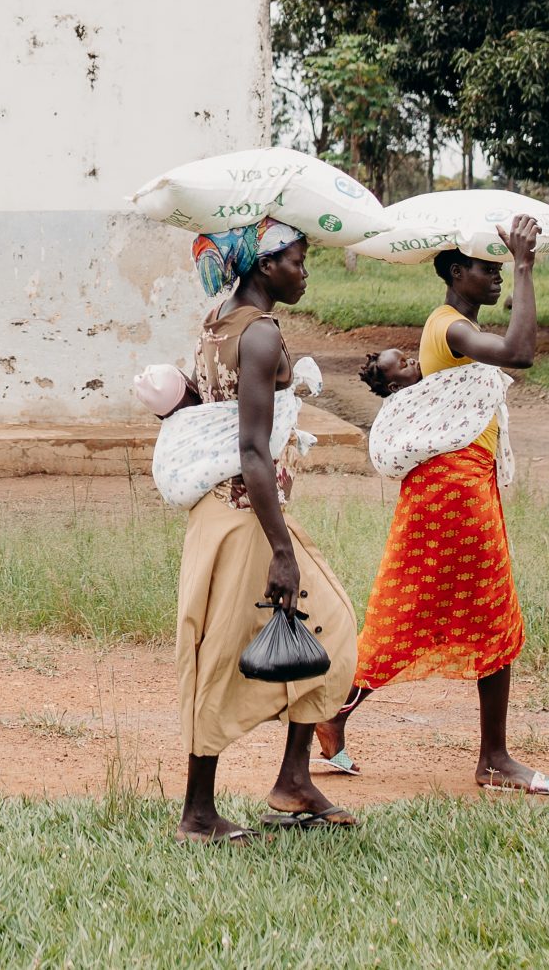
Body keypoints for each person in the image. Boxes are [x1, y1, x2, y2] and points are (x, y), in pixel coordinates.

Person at [314, 213, 549, 795]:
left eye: (502, 267)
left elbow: (432, 378)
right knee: (484, 609)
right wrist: (527, 264)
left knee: (419, 610)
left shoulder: (448, 330)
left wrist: (393, 373)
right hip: (455, 487)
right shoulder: (452, 327)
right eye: (487, 266)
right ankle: (494, 759)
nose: (497, 275)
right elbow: (520, 351)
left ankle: (335, 712)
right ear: (455, 271)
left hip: (455, 483)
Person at [172, 216, 362, 842]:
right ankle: (198, 813)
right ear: (265, 265)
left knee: (325, 624)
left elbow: (208, 406)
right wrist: (282, 549)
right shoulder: (258, 334)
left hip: (225, 515)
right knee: (224, 656)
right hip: (246, 519)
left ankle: (294, 778)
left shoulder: (217, 322)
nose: (305, 272)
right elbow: (252, 449)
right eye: (298, 260)